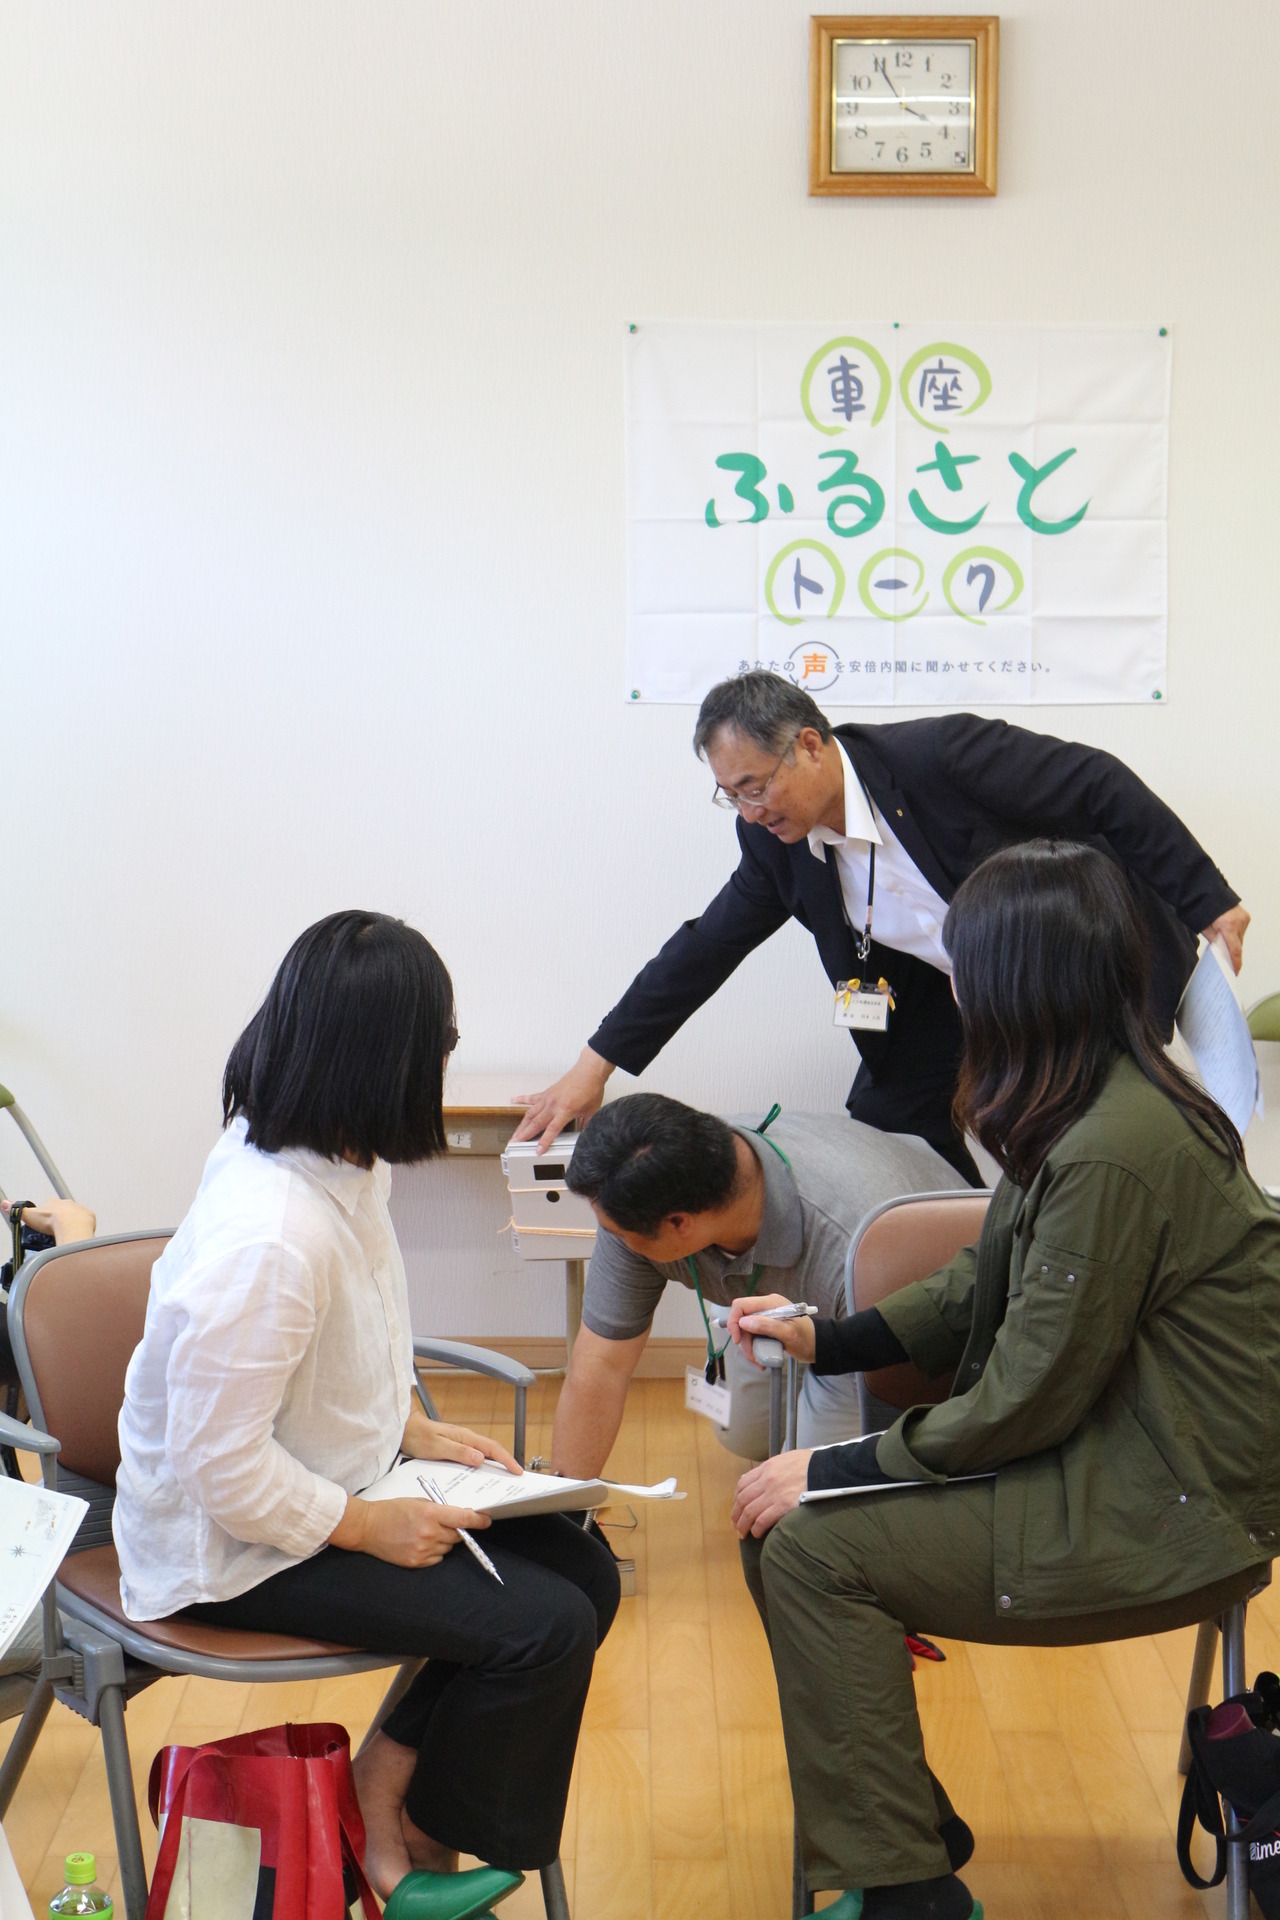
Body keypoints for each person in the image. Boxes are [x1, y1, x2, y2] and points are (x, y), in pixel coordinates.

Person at [721, 841, 1280, 1920]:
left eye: (961, 960)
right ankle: (904, 1833)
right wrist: (830, 1340)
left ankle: (906, 1885)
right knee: (779, 1527)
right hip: (1129, 1471)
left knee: (810, 1549)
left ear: (1014, 978)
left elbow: (1026, 1397)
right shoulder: (1094, 1103)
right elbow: (991, 1273)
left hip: (1162, 1510)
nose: (951, 981)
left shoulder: (1113, 1144)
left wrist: (830, 1466)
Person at [113, 912, 619, 1900]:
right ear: (382, 1059)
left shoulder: (341, 1163)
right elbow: (218, 1468)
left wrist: (410, 1431)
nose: (440, 1068)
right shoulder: (271, 1235)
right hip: (234, 1548)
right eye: (437, 1048)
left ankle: (381, 1783)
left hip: (324, 1482)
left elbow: (331, 1356)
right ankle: (416, 1838)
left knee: (581, 1569)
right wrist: (363, 1527)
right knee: (542, 1626)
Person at [514, 674, 1249, 1184]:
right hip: (945, 998)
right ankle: (966, 1253)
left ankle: (1059, 1254)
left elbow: (1098, 784)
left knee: (1059, 1119)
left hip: (1063, 977)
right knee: (887, 1115)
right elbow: (706, 947)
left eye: (757, 785)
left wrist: (1205, 896)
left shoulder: (939, 758)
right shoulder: (775, 845)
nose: (750, 811)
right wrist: (593, 1067)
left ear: (809, 743)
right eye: (730, 795)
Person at [552, 1094, 964, 1472]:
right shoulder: (646, 1188)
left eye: (621, 1234)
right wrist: (565, 1516)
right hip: (783, 1271)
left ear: (680, 1224)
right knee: (746, 1434)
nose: (614, 1240)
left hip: (881, 1320)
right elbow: (601, 1364)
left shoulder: (860, 1246)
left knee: (809, 1488)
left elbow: (905, 1385)